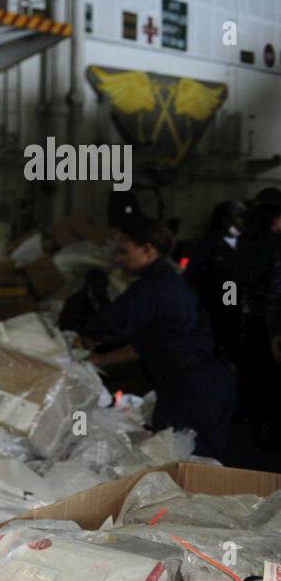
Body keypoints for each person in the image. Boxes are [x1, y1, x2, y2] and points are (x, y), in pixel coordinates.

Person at [83, 215, 235, 460]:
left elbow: (105, 326)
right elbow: (150, 343)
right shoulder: (168, 280)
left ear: (147, 250)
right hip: (204, 385)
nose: (119, 258)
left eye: (124, 252)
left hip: (191, 393)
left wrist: (83, 342)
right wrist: (101, 360)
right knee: (186, 462)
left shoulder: (153, 288)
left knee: (183, 465)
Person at [239, 191, 281, 446]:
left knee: (255, 378)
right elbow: (277, 292)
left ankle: (256, 427)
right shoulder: (277, 244)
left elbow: (231, 286)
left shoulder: (244, 243)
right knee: (274, 383)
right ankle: (271, 435)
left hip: (249, 321)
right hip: (272, 324)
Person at [184, 200, 244, 365]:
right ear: (226, 220)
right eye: (239, 216)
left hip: (235, 306)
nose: (244, 220)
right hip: (216, 307)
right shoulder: (210, 244)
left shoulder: (246, 241)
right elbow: (192, 276)